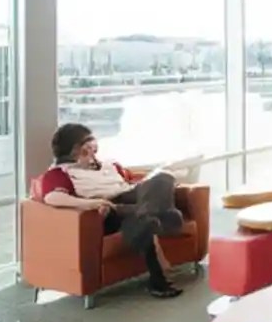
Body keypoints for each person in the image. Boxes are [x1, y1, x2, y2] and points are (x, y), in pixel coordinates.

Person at [38, 123, 184, 298]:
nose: (93, 150)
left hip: (129, 201)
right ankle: (158, 281)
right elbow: (52, 198)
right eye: (87, 146)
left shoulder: (110, 165)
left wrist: (156, 185)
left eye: (93, 145)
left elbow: (134, 183)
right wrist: (92, 203)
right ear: (73, 149)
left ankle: (147, 214)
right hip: (109, 210)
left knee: (163, 177)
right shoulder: (59, 173)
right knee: (146, 222)